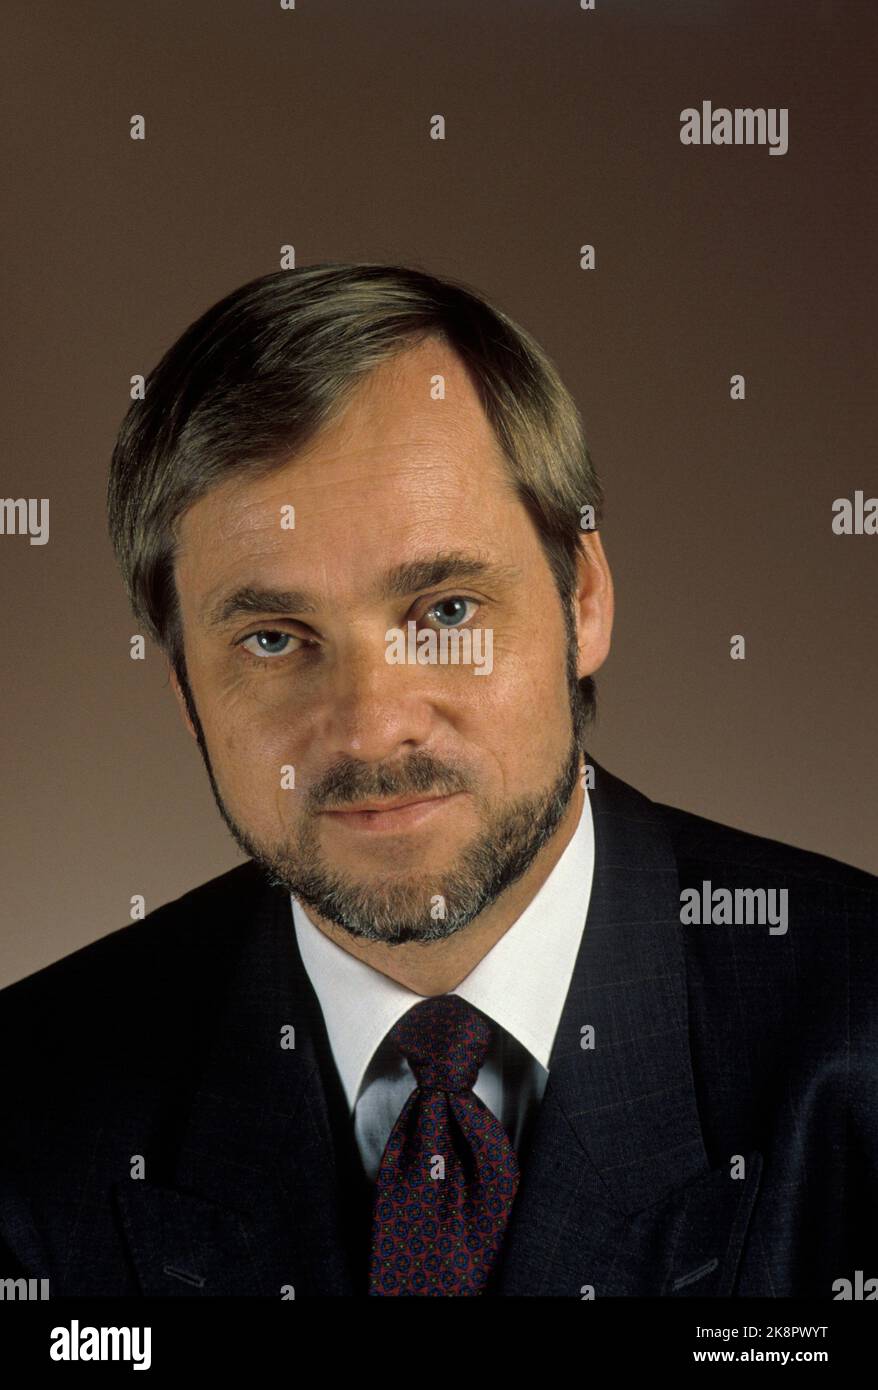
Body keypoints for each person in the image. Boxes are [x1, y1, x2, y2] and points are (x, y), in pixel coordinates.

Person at [0, 263, 875, 1298]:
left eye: (446, 612)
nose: (373, 725)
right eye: (275, 638)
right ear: (188, 690)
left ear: (581, 600)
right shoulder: (28, 1112)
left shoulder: (853, 1047)